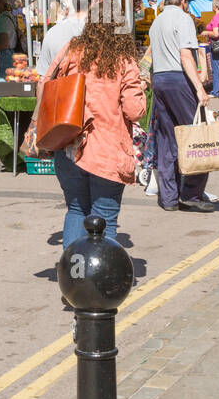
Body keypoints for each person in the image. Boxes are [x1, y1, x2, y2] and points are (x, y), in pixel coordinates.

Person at [51, 13, 147, 250]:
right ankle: (101, 279)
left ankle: (73, 277)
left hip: (69, 144)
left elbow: (46, 84)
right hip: (107, 150)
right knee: (105, 218)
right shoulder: (124, 61)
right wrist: (142, 88)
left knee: (76, 210)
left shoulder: (71, 50)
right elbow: (135, 111)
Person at [149, 0, 213, 213]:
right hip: (178, 80)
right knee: (197, 136)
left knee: (167, 138)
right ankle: (191, 193)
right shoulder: (184, 20)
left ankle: (169, 197)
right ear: (184, 2)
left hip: (160, 79)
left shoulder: (156, 21)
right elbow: (186, 56)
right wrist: (199, 88)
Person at [37, 0, 85, 78]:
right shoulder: (95, 32)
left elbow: (43, 78)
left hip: (60, 89)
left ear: (66, 9)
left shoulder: (52, 33)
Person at [203, 0, 219, 98]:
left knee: (216, 68)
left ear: (214, 6)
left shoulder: (217, 17)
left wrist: (206, 32)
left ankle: (215, 91)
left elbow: (216, 34)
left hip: (216, 45)